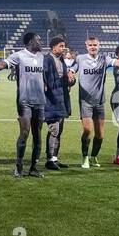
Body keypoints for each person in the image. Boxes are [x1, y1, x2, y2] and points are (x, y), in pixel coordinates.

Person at [0, 32, 49, 177]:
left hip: (40, 102)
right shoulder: (19, 55)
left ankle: (34, 167)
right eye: (38, 40)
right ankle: (19, 166)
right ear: (30, 41)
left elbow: (45, 77)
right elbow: (4, 63)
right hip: (25, 101)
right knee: (24, 132)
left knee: (38, 135)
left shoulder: (42, 57)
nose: (41, 42)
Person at [69, 36, 109, 168]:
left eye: (95, 45)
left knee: (100, 135)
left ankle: (93, 157)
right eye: (90, 45)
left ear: (99, 46)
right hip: (85, 101)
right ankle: (85, 157)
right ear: (86, 46)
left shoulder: (104, 58)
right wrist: (71, 73)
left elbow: (118, 64)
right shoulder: (80, 58)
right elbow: (73, 68)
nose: (93, 47)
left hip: (99, 101)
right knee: (87, 130)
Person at [42, 35, 74, 169]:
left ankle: (54, 158)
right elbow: (43, 78)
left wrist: (71, 80)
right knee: (54, 130)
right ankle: (49, 160)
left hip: (62, 100)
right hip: (51, 100)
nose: (63, 48)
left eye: (64, 46)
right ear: (53, 47)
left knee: (59, 130)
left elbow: (64, 80)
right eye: (61, 46)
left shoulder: (61, 60)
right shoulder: (47, 60)